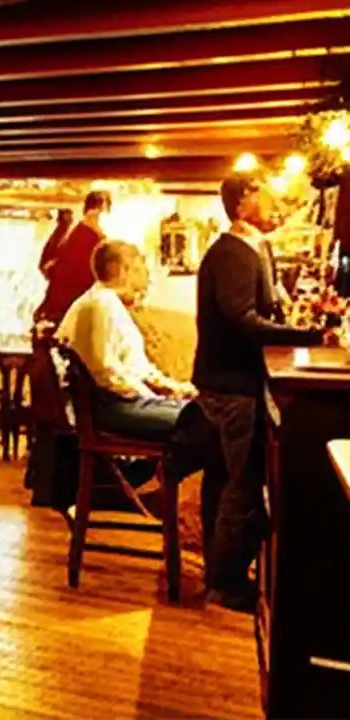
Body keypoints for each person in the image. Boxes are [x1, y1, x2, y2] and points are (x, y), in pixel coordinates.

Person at [193, 174, 336, 612]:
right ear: (241, 204)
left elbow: (260, 308)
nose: (273, 202)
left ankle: (221, 572)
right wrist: (308, 337)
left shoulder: (253, 247)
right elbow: (242, 319)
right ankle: (227, 582)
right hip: (231, 385)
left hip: (225, 381)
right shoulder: (233, 252)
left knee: (226, 478)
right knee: (239, 482)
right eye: (262, 194)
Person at [56, 240, 216, 486]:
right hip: (112, 407)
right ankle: (159, 472)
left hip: (119, 401)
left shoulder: (104, 303)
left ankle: (151, 472)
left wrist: (171, 387)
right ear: (124, 269)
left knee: (205, 414)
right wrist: (152, 396)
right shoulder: (99, 305)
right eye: (141, 267)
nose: (147, 276)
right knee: (207, 422)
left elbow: (134, 367)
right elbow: (104, 372)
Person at [36, 191, 111, 325]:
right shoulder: (85, 237)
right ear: (96, 211)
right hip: (68, 310)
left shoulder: (81, 234)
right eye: (105, 211)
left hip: (65, 309)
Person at [38, 209, 75, 280]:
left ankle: (63, 216)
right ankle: (63, 216)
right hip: (52, 259)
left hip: (51, 258)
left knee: (61, 232)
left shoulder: (50, 271)